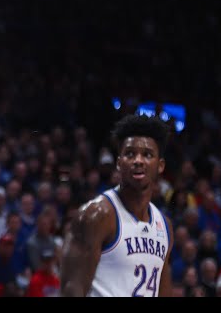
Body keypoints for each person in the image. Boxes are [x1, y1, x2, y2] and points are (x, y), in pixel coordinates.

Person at [60, 114, 174, 297]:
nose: (138, 160)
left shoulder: (164, 226)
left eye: (147, 155)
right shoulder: (96, 215)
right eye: (130, 153)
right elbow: (71, 290)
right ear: (119, 163)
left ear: (160, 166)